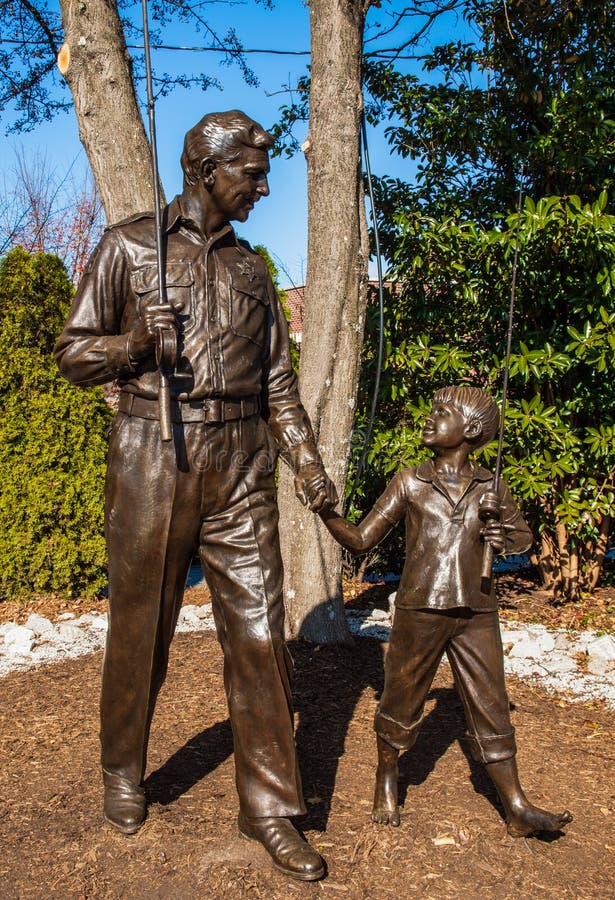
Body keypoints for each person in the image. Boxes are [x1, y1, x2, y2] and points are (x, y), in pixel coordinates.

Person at [55, 110, 336, 881]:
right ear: (205, 170)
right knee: (141, 629)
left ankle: (271, 809)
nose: (263, 185)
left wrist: (307, 466)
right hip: (155, 452)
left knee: (258, 637)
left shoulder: (252, 267)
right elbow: (72, 354)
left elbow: (279, 380)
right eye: (252, 171)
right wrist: (131, 347)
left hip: (243, 461)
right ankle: (122, 769)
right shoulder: (128, 245)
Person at [318, 385, 573, 838]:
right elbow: (361, 539)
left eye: (442, 412)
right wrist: (327, 512)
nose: (429, 417)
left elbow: (523, 539)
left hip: (477, 610)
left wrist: (503, 538)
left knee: (492, 705)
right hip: (421, 608)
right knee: (401, 697)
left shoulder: (491, 486)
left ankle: (516, 805)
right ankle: (388, 777)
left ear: (471, 430)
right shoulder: (410, 481)